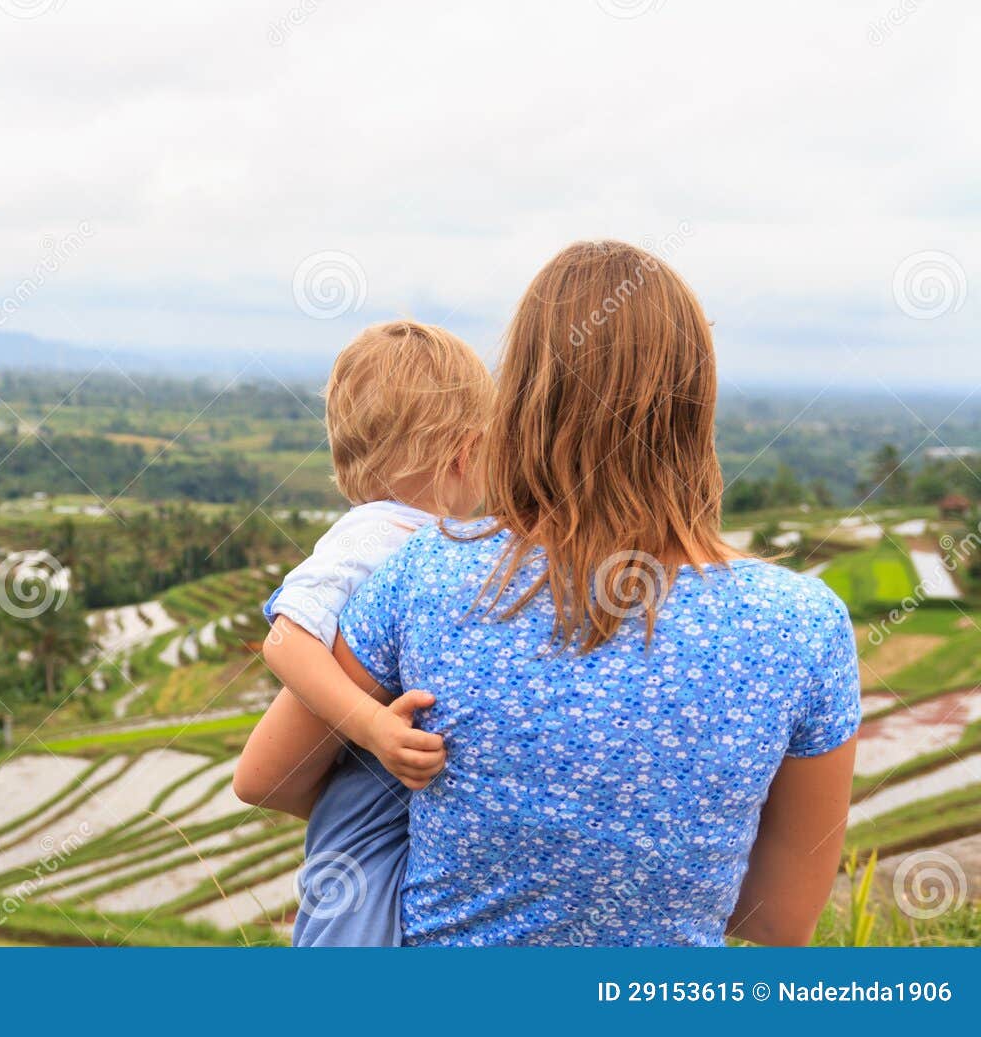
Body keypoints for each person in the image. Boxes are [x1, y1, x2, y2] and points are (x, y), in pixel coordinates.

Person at [244, 240, 859, 946]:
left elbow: (268, 776)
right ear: (696, 407)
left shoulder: (426, 575)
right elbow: (779, 919)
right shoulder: (802, 629)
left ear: (523, 400)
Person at [233, 318, 492, 945]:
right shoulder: (378, 536)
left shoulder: (414, 535)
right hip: (369, 776)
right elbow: (285, 639)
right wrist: (371, 726)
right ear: (464, 451)